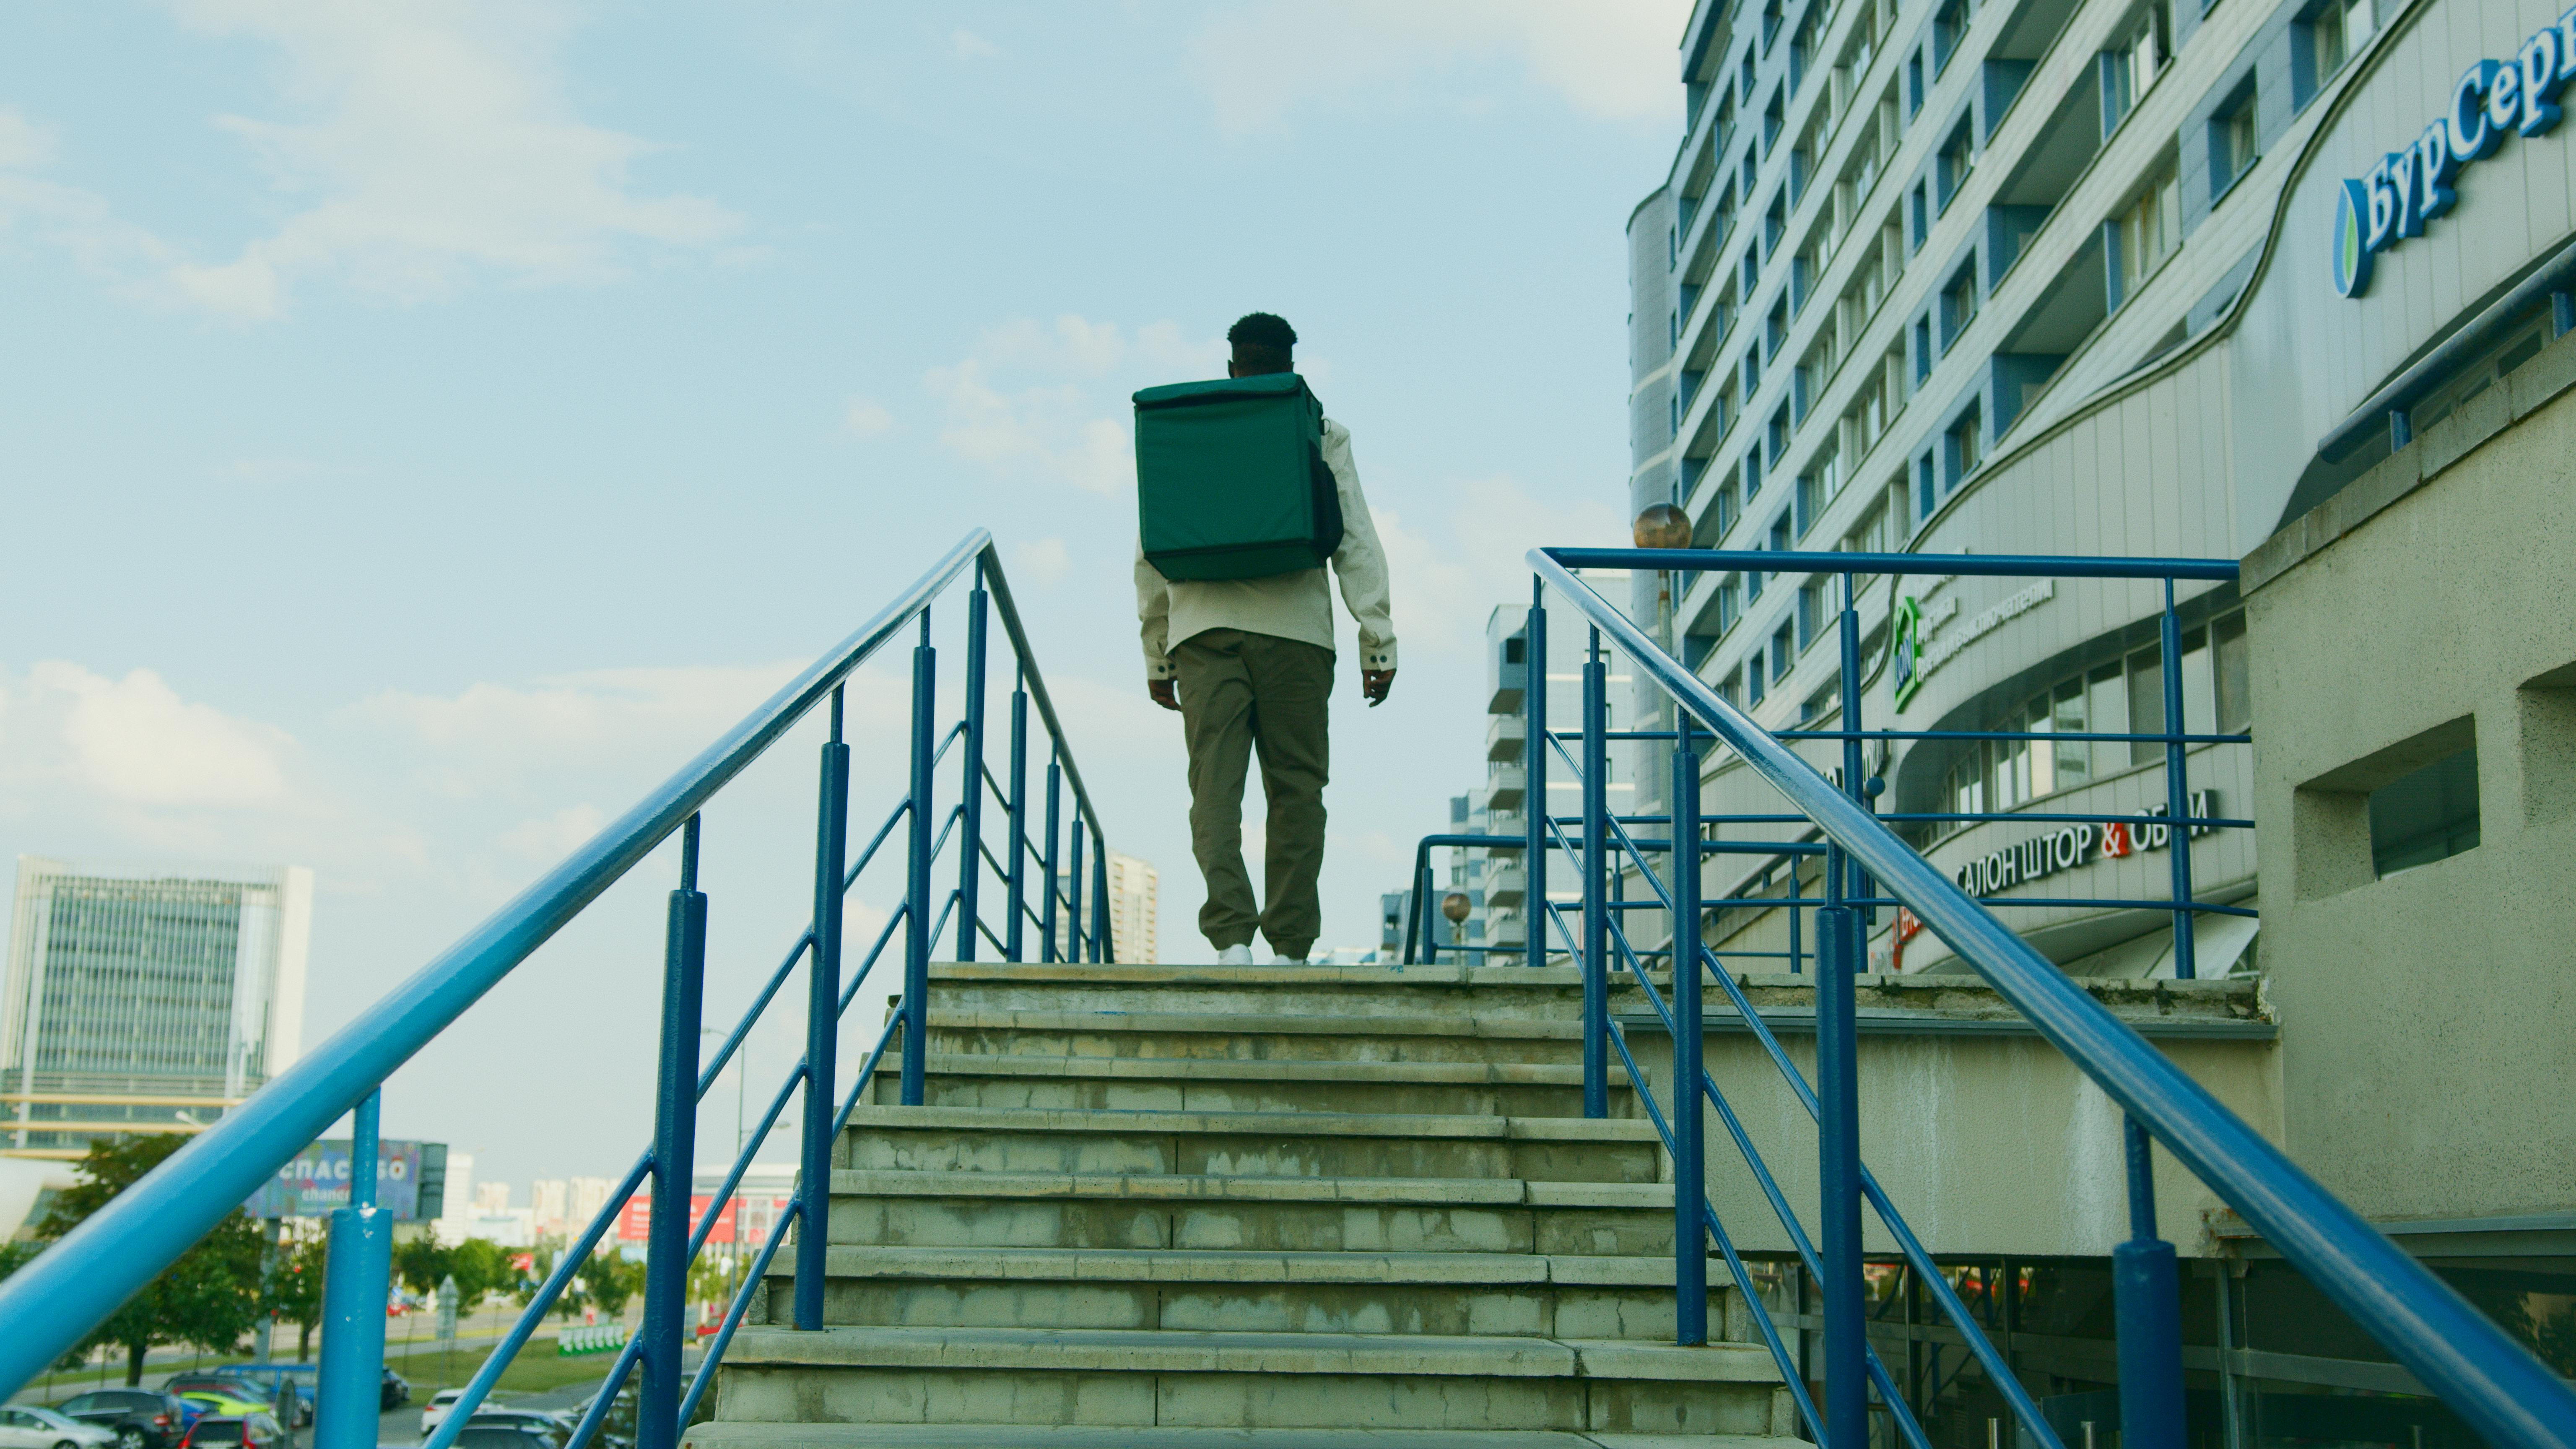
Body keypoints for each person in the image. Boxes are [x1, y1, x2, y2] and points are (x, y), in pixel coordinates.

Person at [1136, 312, 1397, 965]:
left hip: (1203, 633)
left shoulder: (1186, 426)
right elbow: (1356, 539)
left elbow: (1151, 547)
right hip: (1298, 638)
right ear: (1291, 368)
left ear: (1232, 368)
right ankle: (1291, 947)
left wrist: (1157, 650)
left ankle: (1230, 939)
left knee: (1215, 793)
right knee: (1297, 792)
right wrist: (1378, 641)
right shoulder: (1320, 430)